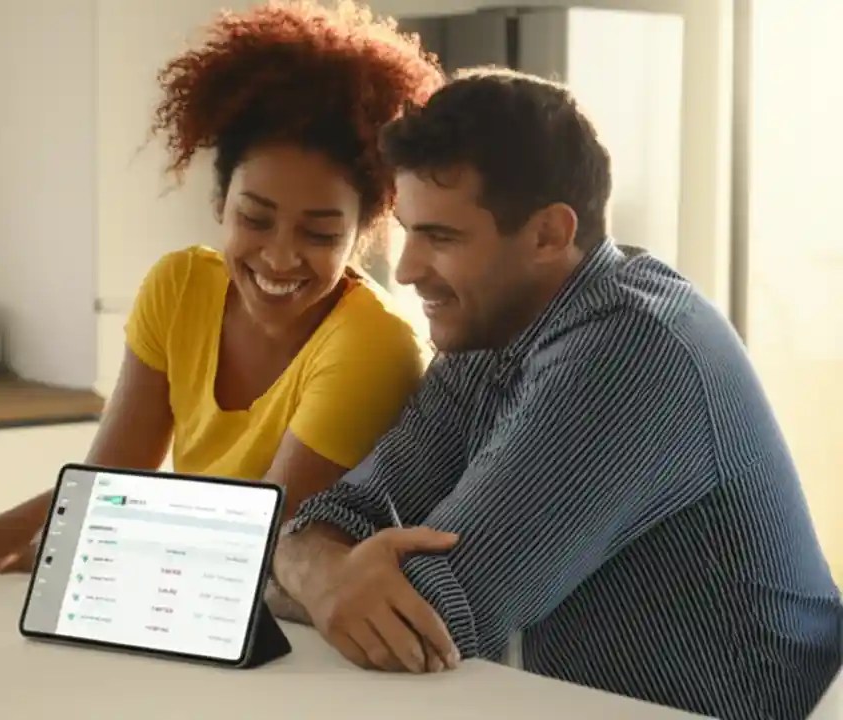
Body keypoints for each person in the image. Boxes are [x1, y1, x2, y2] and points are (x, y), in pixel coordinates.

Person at [269, 67, 843, 719]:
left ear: (549, 235)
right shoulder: (493, 322)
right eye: (409, 231)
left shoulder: (634, 350)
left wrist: (311, 566)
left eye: (442, 238)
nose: (405, 270)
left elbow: (434, 617)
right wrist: (318, 567)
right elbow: (342, 512)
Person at [0, 1, 445, 590]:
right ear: (220, 203)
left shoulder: (372, 344)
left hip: (295, 638)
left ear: (363, 233)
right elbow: (99, 492)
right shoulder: (180, 287)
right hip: (184, 608)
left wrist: (88, 536)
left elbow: (258, 541)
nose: (280, 256)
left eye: (319, 233)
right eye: (255, 219)